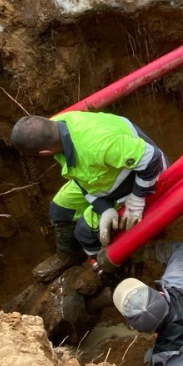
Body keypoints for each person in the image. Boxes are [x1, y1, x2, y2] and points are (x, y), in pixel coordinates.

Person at [11, 112, 166, 281]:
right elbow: (80, 175)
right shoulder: (54, 129)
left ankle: (113, 273)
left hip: (138, 178)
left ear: (45, 152)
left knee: (84, 232)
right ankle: (68, 256)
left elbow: (151, 159)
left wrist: (137, 200)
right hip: (101, 173)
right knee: (60, 209)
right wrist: (103, 209)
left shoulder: (96, 144)